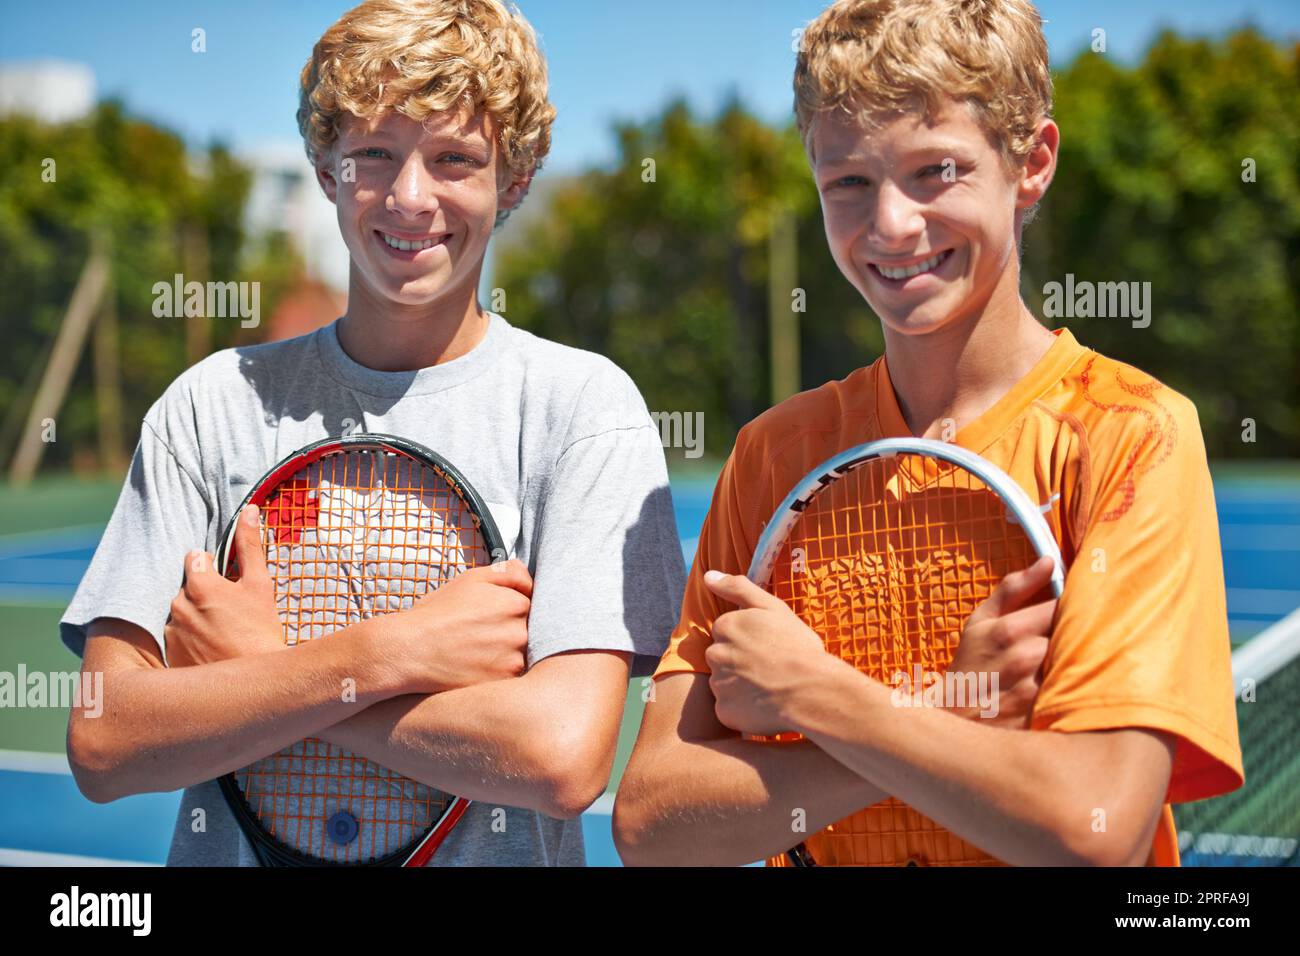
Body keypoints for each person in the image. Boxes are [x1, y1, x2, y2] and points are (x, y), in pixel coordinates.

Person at [614, 0, 1243, 867]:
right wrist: (948, 708)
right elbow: (653, 827)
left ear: (1033, 163)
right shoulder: (772, 455)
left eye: (935, 171)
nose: (892, 224)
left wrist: (817, 695)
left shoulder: (1134, 435)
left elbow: (1091, 824)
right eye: (848, 182)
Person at [62, 0, 685, 866]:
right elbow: (102, 741)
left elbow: (560, 755)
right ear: (325, 168)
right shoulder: (209, 406)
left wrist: (266, 667)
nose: (410, 198)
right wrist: (389, 652)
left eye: (455, 159)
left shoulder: (583, 409)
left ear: (515, 181)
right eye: (373, 156)